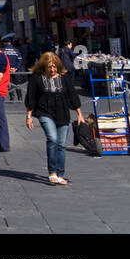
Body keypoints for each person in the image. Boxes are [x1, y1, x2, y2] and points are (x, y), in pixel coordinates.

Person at [25, 51, 85, 186]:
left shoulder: (64, 78)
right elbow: (31, 97)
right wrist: (29, 116)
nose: (52, 69)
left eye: (54, 66)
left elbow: (72, 95)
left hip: (62, 112)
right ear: (44, 67)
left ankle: (60, 173)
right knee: (53, 139)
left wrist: (79, 113)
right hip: (44, 111)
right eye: (49, 67)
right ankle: (52, 172)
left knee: (61, 145)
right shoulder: (37, 78)